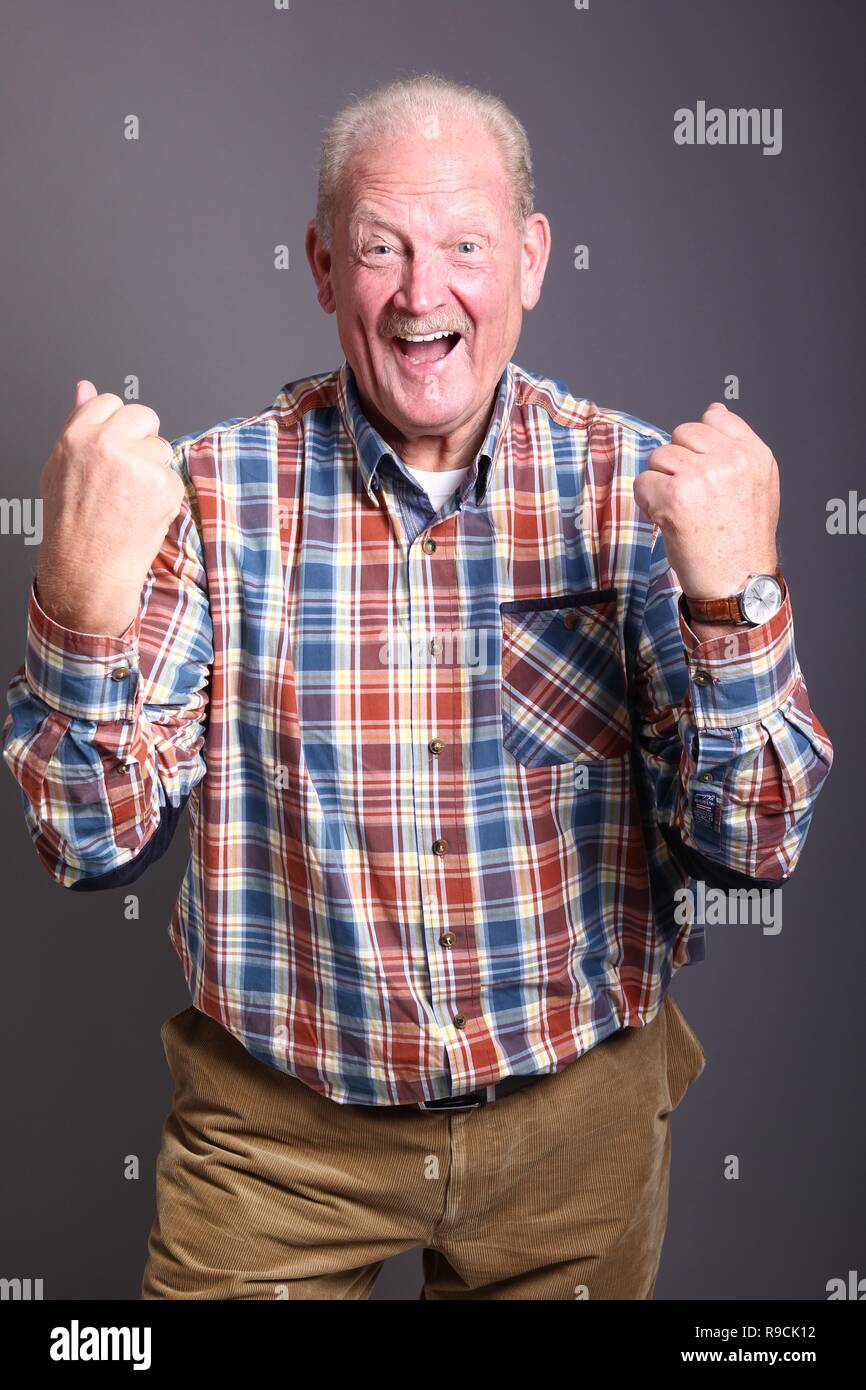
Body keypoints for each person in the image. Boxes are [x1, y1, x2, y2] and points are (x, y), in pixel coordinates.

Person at [2, 74, 833, 1300]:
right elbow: (88, 842)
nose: (420, 292)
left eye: (463, 245)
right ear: (326, 267)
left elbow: (756, 844)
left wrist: (735, 604)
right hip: (277, 1140)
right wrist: (76, 599)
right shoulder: (211, 496)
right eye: (381, 248)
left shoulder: (632, 487)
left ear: (531, 260)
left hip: (574, 1133)